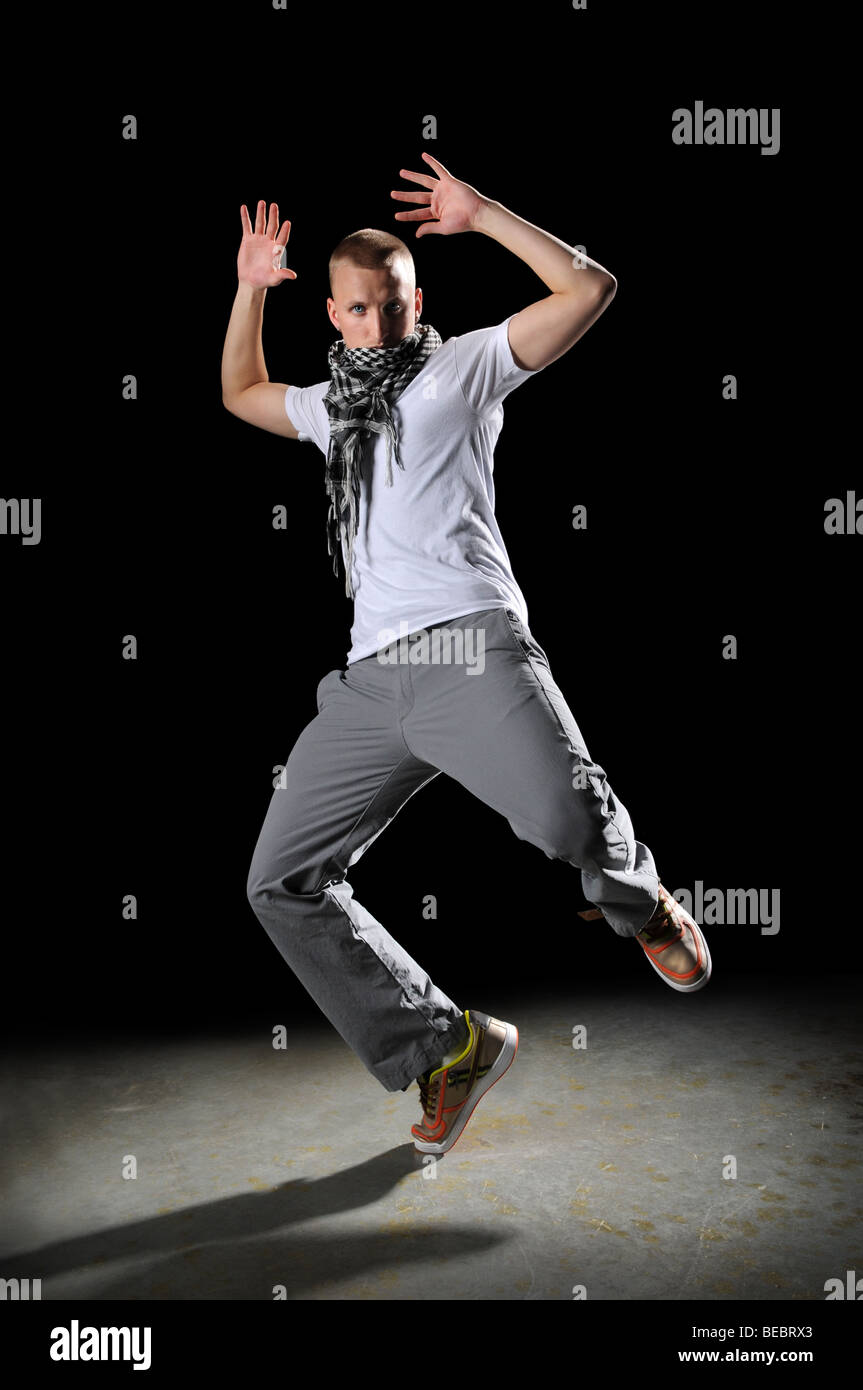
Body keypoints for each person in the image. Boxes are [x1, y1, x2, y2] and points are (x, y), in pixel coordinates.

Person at [222, 154, 711, 1157]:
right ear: (333, 314)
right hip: (367, 681)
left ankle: (639, 896)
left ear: (417, 301)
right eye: (360, 310)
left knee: (562, 817)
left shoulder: (466, 366)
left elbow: (589, 288)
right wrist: (243, 288)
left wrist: (484, 215)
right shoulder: (327, 412)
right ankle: (445, 1046)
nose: (380, 323)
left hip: (469, 644)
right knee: (277, 882)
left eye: (395, 304)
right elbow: (239, 389)